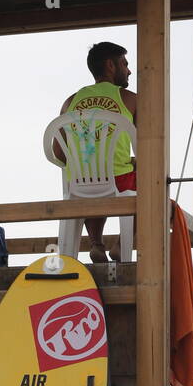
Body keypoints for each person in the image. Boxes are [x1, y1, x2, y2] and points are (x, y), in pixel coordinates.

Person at [56, 42, 137, 263]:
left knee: (93, 177)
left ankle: (96, 244)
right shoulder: (130, 99)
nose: (129, 70)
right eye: (125, 64)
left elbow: (58, 152)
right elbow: (148, 148)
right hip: (120, 180)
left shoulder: (69, 102)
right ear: (110, 65)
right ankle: (122, 245)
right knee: (153, 183)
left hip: (78, 185)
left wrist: (86, 163)